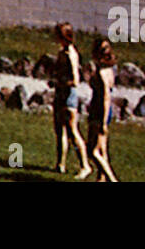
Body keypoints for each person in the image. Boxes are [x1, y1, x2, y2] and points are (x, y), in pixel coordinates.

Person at [50, 23, 90, 178]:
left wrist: (60, 83)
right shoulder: (62, 52)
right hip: (60, 94)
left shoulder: (71, 54)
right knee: (59, 131)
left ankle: (85, 166)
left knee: (73, 132)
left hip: (68, 96)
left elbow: (75, 80)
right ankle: (60, 164)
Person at [85, 37, 120, 182]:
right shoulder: (110, 70)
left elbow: (105, 97)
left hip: (99, 110)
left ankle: (112, 179)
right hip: (104, 110)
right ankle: (101, 178)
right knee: (102, 148)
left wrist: (104, 122)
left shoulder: (101, 73)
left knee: (92, 151)